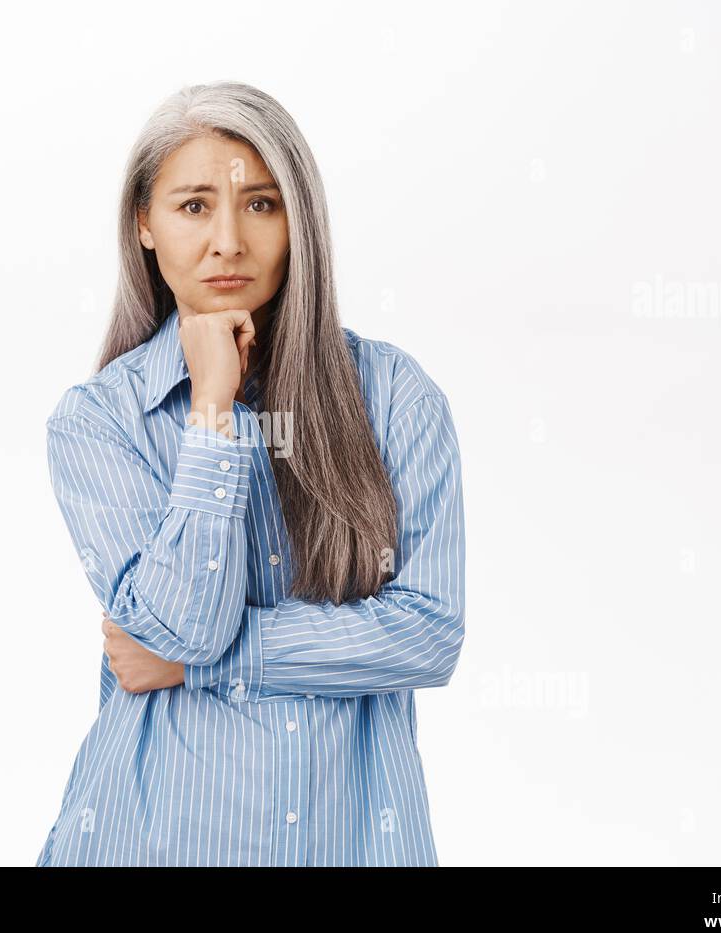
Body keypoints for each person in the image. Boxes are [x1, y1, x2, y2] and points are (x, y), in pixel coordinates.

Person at [37, 81, 465, 866]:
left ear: (300, 223)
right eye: (194, 206)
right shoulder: (99, 421)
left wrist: (209, 665)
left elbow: (427, 636)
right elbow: (177, 628)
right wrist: (211, 411)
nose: (228, 241)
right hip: (152, 838)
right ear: (145, 225)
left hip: (351, 840)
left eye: (262, 205)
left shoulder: (398, 399)